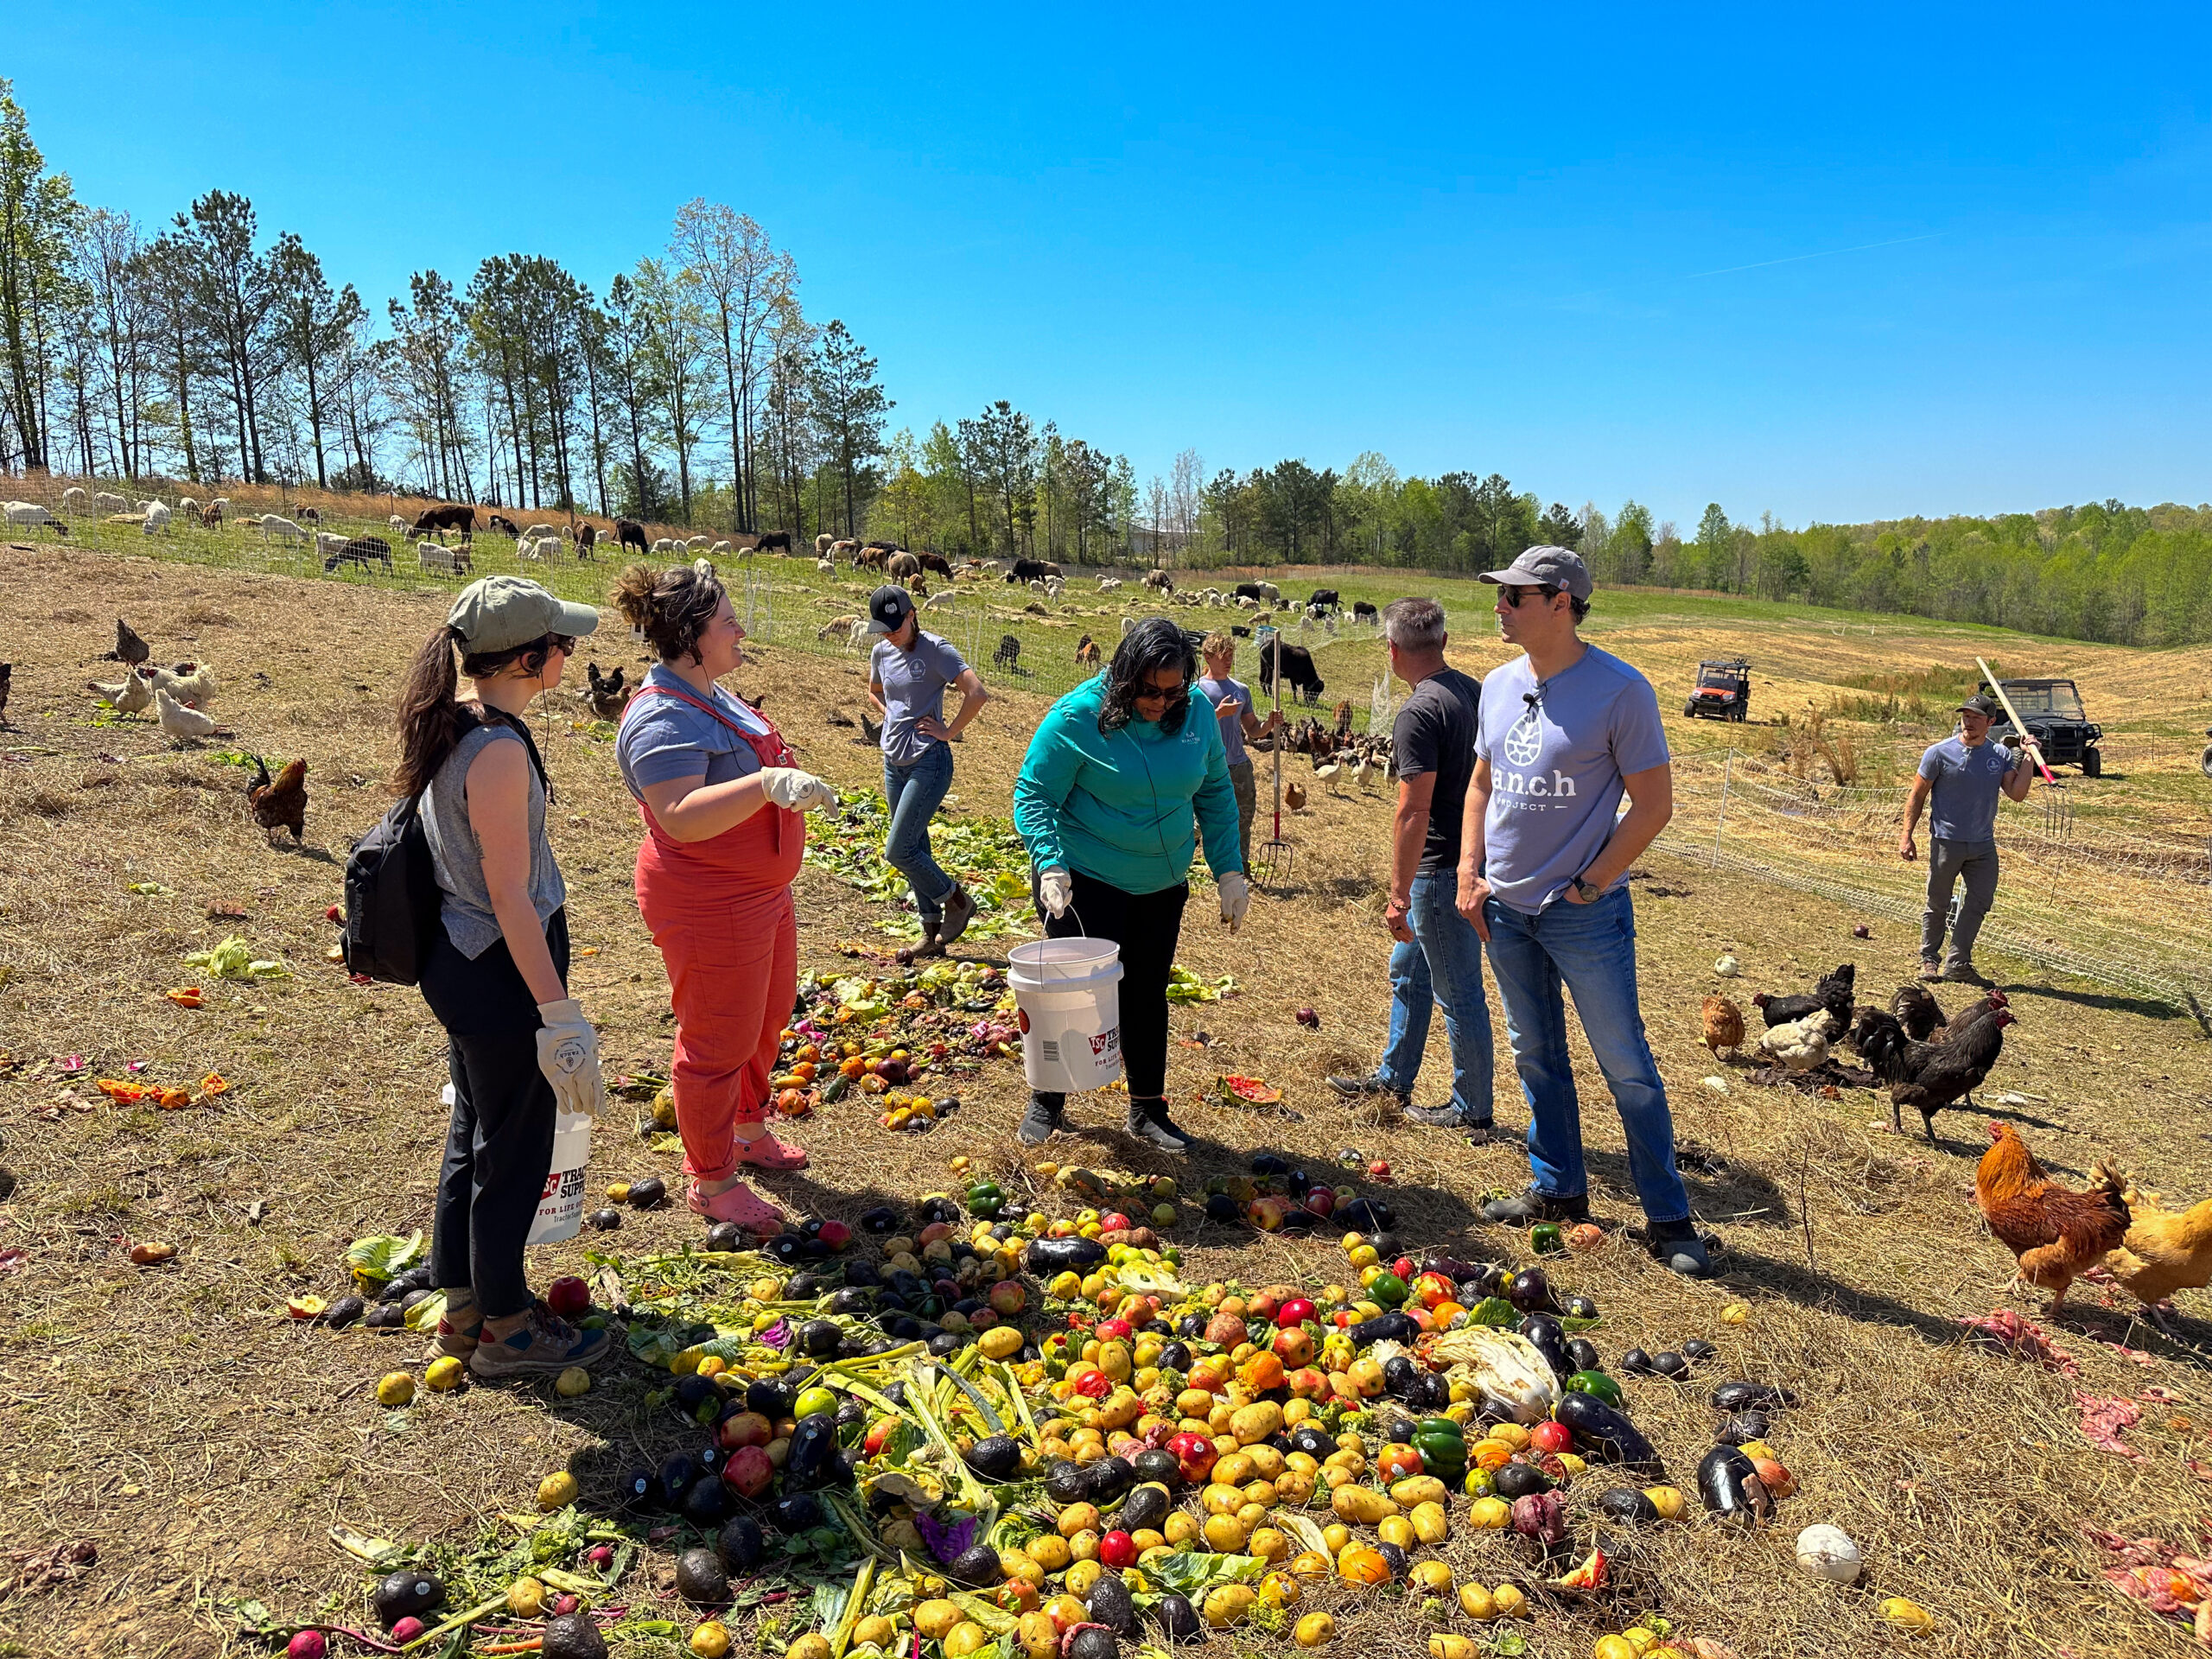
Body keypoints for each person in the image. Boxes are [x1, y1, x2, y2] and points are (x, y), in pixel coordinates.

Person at [1452, 547, 1709, 1277]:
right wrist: (1470, 872)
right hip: (1504, 907)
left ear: (1561, 601)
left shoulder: (1621, 691)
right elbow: (1480, 786)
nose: (1499, 607)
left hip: (1582, 912)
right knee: (1535, 1054)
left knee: (1624, 1065)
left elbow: (1653, 806)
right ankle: (1558, 1191)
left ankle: (1668, 1218)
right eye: (1499, 595)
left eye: (1514, 596)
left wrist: (1591, 884)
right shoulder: (1499, 686)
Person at [397, 574, 613, 1379]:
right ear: (528, 656)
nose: (569, 652)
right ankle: (508, 1329)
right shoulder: (495, 753)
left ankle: (462, 1306)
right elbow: (511, 899)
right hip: (497, 971)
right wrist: (555, 1010)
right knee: (515, 1149)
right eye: (561, 643)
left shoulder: (461, 726)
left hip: (463, 962)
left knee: (474, 1135)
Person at [613, 563, 840, 1233]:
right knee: (717, 1039)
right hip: (709, 899)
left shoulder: (713, 691)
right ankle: (712, 1180)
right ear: (688, 635)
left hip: (761, 892)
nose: (741, 630)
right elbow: (679, 813)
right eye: (726, 622)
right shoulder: (659, 716)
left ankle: (747, 1129)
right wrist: (767, 786)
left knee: (765, 1020)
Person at [1012, 618, 1250, 1152]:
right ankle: (1047, 1100)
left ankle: (1147, 1109)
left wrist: (1229, 871)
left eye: (1173, 690)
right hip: (1084, 881)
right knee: (1067, 997)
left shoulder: (1197, 718)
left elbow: (1214, 793)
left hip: (1160, 884)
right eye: (1149, 690)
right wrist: (1050, 862)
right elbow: (1033, 793)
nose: (1161, 702)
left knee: (1145, 993)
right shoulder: (1079, 715)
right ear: (1123, 675)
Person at [1329, 597, 1496, 1138]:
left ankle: (1472, 1106)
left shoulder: (1419, 713)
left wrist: (1398, 892)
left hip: (1440, 869)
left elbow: (1412, 808)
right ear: (1444, 643)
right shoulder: (1475, 693)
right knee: (1409, 972)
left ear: (1392, 650)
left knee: (1458, 989)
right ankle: (1394, 1078)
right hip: (1470, 857)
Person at [867, 584, 989, 958]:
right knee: (916, 845)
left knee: (898, 849)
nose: (890, 634)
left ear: (911, 614)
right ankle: (930, 934)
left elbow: (977, 692)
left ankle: (958, 900)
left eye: (895, 626)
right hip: (893, 762)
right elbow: (874, 690)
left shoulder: (937, 649)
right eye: (883, 628)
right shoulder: (881, 650)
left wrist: (950, 731)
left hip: (928, 760)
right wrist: (891, 716)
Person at [1899, 691, 2033, 983]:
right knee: (1938, 903)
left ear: (1991, 722)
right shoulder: (1939, 753)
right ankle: (1928, 960)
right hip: (1946, 842)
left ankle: (1958, 963)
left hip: (1983, 845)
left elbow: (2017, 794)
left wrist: (2030, 758)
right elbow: (1917, 795)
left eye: (1976, 717)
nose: (1968, 721)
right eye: (1965, 716)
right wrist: (1906, 835)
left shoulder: (2000, 755)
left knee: (1979, 901)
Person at [1194, 629, 1281, 874]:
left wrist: (1269, 724)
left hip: (1238, 765)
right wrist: (1218, 714)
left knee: (1243, 819)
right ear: (1208, 657)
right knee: (1204, 821)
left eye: (1231, 655)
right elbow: (1191, 729)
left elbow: (1253, 729)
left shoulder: (1240, 689)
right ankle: (1194, 862)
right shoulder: (1196, 691)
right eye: (1223, 656)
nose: (1228, 661)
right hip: (1208, 765)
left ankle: (1239, 867)